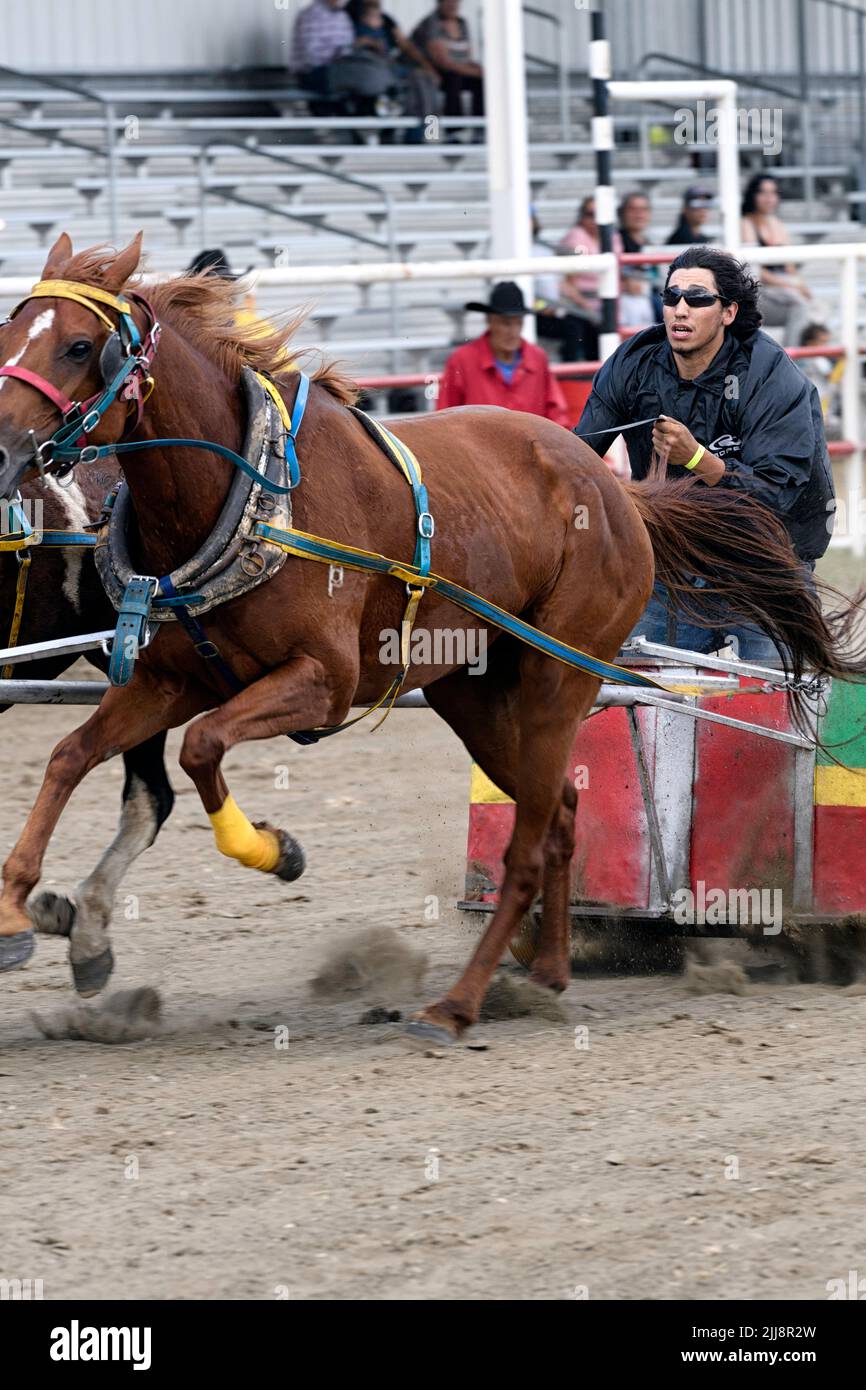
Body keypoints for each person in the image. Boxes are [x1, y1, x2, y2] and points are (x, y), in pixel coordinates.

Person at [575, 246, 834, 662]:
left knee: (776, 703)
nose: (680, 309)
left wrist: (696, 457)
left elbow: (774, 496)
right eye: (671, 297)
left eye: (697, 299)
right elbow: (579, 458)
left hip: (769, 562)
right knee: (642, 695)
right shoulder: (632, 363)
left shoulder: (772, 376)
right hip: (675, 562)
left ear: (728, 312)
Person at [437, 280, 569, 427]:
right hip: (479, 448)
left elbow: (556, 414)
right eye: (505, 323)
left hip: (529, 446)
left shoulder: (537, 357)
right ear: (489, 321)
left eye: (518, 322)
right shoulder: (462, 360)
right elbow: (444, 418)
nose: (513, 331)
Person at [740, 173, 815, 347]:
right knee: (800, 308)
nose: (769, 198)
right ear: (753, 195)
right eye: (763, 193)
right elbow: (754, 270)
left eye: (773, 193)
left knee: (814, 307)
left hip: (782, 290)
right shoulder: (745, 224)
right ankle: (790, 362)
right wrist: (789, 285)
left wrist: (801, 286)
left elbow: (789, 266)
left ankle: (815, 364)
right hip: (759, 292)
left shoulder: (777, 224)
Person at [347, 0, 441, 133]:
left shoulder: (386, 19)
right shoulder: (349, 17)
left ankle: (427, 131)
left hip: (390, 67)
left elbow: (405, 45)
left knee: (424, 81)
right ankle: (407, 131)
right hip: (366, 70)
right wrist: (366, 42)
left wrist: (426, 66)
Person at [558, 197, 624, 360]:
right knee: (580, 326)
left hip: (606, 302)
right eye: (590, 214)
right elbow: (568, 285)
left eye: (599, 214)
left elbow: (620, 274)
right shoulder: (575, 238)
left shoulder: (613, 237)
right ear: (581, 216)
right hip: (578, 303)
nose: (595, 219)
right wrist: (589, 309)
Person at [411, 0, 484, 125]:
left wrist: (479, 71)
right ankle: (452, 130)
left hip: (452, 74)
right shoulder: (432, 23)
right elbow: (443, 62)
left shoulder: (462, 23)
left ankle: (480, 127)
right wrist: (475, 72)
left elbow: (467, 58)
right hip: (432, 77)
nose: (452, 5)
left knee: (481, 82)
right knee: (453, 81)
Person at [531, 210, 585, 362]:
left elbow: (559, 285)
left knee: (586, 322)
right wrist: (541, 306)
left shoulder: (544, 249)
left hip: (552, 309)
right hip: (534, 312)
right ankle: (573, 374)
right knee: (573, 328)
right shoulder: (518, 250)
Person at [618, 191, 663, 322]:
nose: (639, 214)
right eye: (633, 209)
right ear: (622, 213)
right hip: (627, 306)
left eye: (643, 209)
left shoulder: (650, 244)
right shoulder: (614, 242)